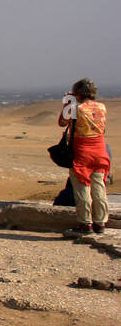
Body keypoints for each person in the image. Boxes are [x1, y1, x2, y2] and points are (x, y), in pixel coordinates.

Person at [58, 79, 110, 235]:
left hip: (82, 152)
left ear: (78, 92)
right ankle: (100, 222)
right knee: (99, 187)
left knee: (82, 188)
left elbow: (62, 122)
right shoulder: (102, 107)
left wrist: (68, 101)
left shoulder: (77, 108)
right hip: (100, 151)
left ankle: (85, 224)